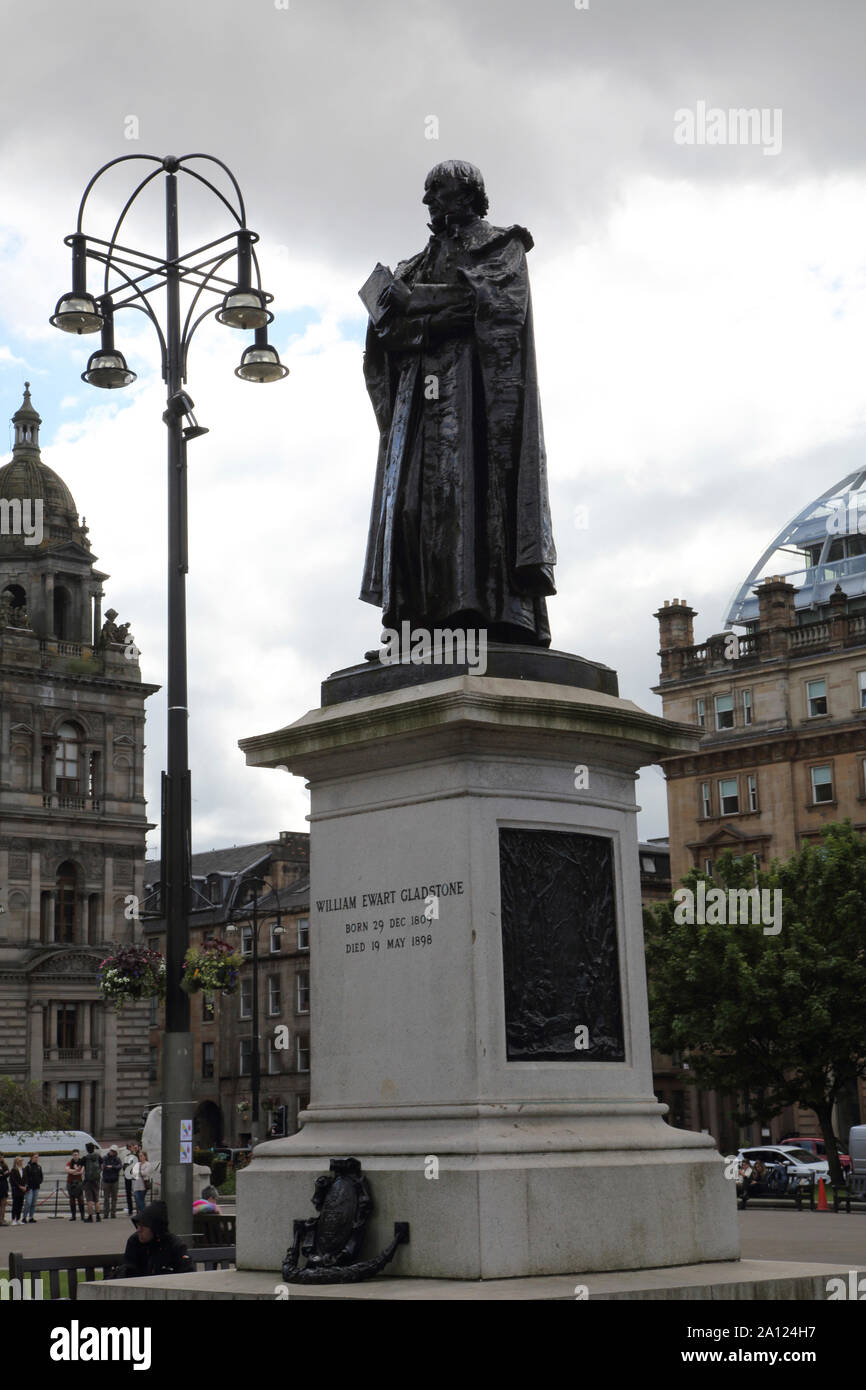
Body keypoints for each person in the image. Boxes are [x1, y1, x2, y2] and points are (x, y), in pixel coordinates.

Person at [360, 160, 556, 647]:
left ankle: (480, 614)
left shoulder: (501, 246)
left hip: (473, 399)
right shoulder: (410, 265)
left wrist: (419, 305)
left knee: (466, 499)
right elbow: (386, 332)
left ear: (469, 195)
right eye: (426, 192)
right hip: (417, 405)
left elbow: (494, 308)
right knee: (410, 507)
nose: (428, 202)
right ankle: (416, 623)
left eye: (438, 192)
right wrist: (429, 319)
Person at [112, 1201, 193, 1279]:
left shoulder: (175, 1246)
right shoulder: (135, 1241)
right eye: (137, 1225)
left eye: (143, 1226)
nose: (138, 1230)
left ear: (155, 1228)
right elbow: (128, 1270)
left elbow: (187, 1275)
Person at [82, 1142, 102, 1222]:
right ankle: (98, 1216)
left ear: (87, 1149)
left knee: (89, 1200)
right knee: (96, 1199)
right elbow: (102, 1166)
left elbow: (80, 1167)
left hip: (88, 1180)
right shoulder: (98, 1156)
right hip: (96, 1180)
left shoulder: (85, 1158)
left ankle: (90, 1217)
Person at [102, 1145, 122, 1217]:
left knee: (114, 1198)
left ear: (115, 1152)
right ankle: (106, 1213)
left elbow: (120, 1166)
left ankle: (113, 1213)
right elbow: (104, 1167)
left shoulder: (117, 1159)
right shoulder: (104, 1158)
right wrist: (114, 1168)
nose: (111, 1152)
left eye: (113, 1151)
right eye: (111, 1150)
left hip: (114, 1181)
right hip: (106, 1180)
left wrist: (112, 1167)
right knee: (106, 1198)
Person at [21, 1153, 42, 1223]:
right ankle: (24, 1217)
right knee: (28, 1202)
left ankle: (31, 1217)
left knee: (33, 1203)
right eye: (35, 1157)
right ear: (31, 1158)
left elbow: (41, 1176)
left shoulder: (39, 1167)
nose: (36, 1159)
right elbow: (25, 1177)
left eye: (37, 1157)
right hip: (29, 1188)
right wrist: (27, 1185)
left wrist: (39, 1181)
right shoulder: (27, 1167)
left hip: (36, 1187)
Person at [66, 1150, 85, 1221]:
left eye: (76, 1154)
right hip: (70, 1182)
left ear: (79, 1155)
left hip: (79, 1183)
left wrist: (73, 1171)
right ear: (72, 1155)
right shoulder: (69, 1162)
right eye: (74, 1155)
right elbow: (68, 1170)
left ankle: (82, 1216)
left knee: (81, 1199)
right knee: (72, 1199)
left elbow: (81, 1172)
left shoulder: (81, 1163)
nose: (75, 1156)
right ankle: (73, 1216)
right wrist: (76, 1170)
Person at [122, 1143, 140, 1216]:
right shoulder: (127, 1156)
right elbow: (124, 1166)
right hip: (128, 1176)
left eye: (131, 1147)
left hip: (134, 1176)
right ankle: (130, 1210)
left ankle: (138, 1210)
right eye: (129, 1147)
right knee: (128, 1194)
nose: (130, 1148)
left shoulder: (137, 1155)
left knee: (136, 1194)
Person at [9, 1156, 27, 1225]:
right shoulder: (13, 1170)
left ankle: (18, 1218)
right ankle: (13, 1219)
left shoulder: (23, 1169)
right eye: (19, 1161)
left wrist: (25, 1186)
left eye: (21, 1160)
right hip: (16, 1190)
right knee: (15, 1205)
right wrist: (19, 1186)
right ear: (16, 1162)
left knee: (20, 1204)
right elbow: (13, 1180)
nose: (21, 1162)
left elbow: (25, 1178)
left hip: (22, 1190)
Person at [132, 1150, 150, 1214]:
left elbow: (145, 1173)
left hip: (143, 1185)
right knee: (137, 1198)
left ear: (145, 1156)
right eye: (139, 1156)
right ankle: (143, 1212)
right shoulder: (137, 1164)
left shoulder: (147, 1164)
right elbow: (133, 1172)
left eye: (141, 1156)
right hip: (136, 1184)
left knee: (141, 1199)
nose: (140, 1157)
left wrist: (139, 1172)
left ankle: (143, 1213)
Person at [0, 1153, 9, 1226]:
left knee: (3, 1204)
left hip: (4, 1186)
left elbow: (7, 1173)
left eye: (2, 1157)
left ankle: (2, 1219)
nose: (2, 1158)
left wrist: (2, 1174)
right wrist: (3, 1173)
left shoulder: (4, 1165)